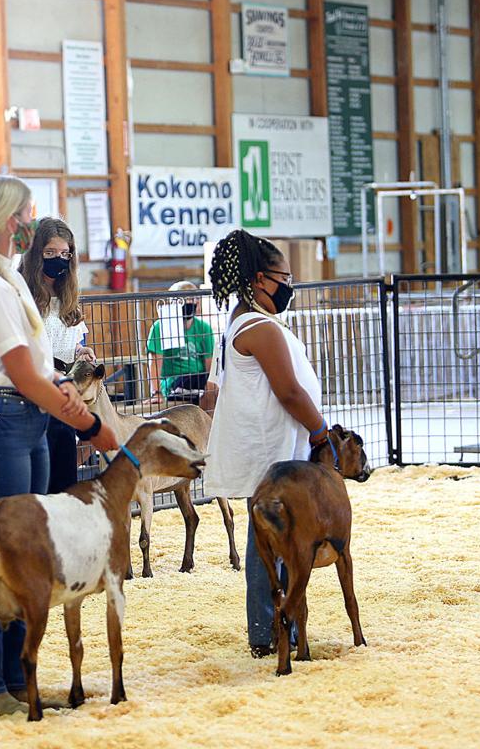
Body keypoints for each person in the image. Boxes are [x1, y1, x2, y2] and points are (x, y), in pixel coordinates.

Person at [0, 174, 117, 717]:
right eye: (24, 214)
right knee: (4, 551)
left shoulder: (8, 279)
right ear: (3, 219)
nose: (28, 223)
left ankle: (16, 677)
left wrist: (65, 387)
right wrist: (89, 425)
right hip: (2, 417)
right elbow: (23, 374)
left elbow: (38, 363)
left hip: (25, 420)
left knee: (27, 553)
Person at [204, 229, 330, 658]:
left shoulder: (243, 319)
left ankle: (273, 627)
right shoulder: (258, 325)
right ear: (260, 278)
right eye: (284, 276)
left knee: (270, 540)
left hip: (266, 449)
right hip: (271, 455)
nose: (289, 286)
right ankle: (271, 630)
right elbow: (289, 391)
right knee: (272, 543)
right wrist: (320, 431)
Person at [17, 217, 95, 495]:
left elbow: (67, 341)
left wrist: (80, 352)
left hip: (63, 393)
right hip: (32, 392)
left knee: (64, 478)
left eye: (64, 254)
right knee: (37, 482)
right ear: (37, 254)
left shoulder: (68, 294)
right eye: (50, 253)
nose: (58, 260)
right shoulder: (22, 293)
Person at [146, 280, 215, 405]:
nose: (188, 303)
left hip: (199, 382)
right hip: (173, 383)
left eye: (192, 299)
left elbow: (209, 364)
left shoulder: (204, 328)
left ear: (197, 302)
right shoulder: (160, 327)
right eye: (183, 299)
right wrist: (157, 392)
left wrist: (210, 389)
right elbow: (155, 363)